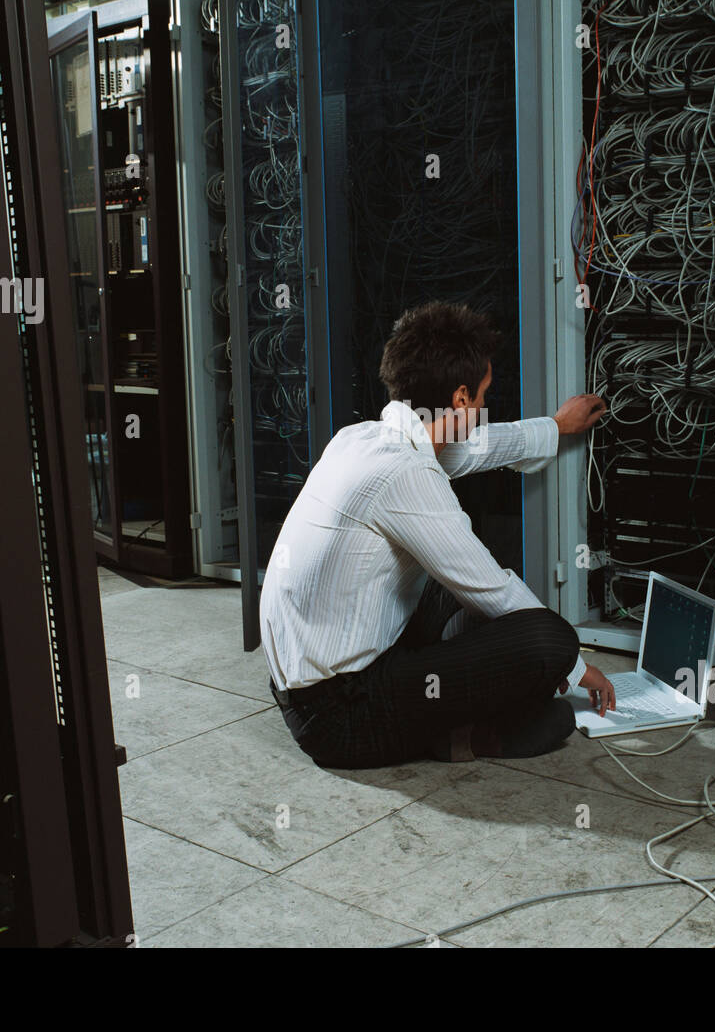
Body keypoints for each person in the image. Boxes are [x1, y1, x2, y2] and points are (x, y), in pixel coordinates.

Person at [260, 301, 615, 769]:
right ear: (462, 398)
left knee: (450, 595)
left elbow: (474, 450)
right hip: (339, 721)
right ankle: (448, 732)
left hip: (309, 691)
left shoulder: (362, 438)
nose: (484, 409)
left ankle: (444, 715)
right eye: (483, 397)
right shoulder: (402, 473)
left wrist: (555, 427)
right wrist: (576, 666)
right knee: (549, 641)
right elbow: (492, 589)